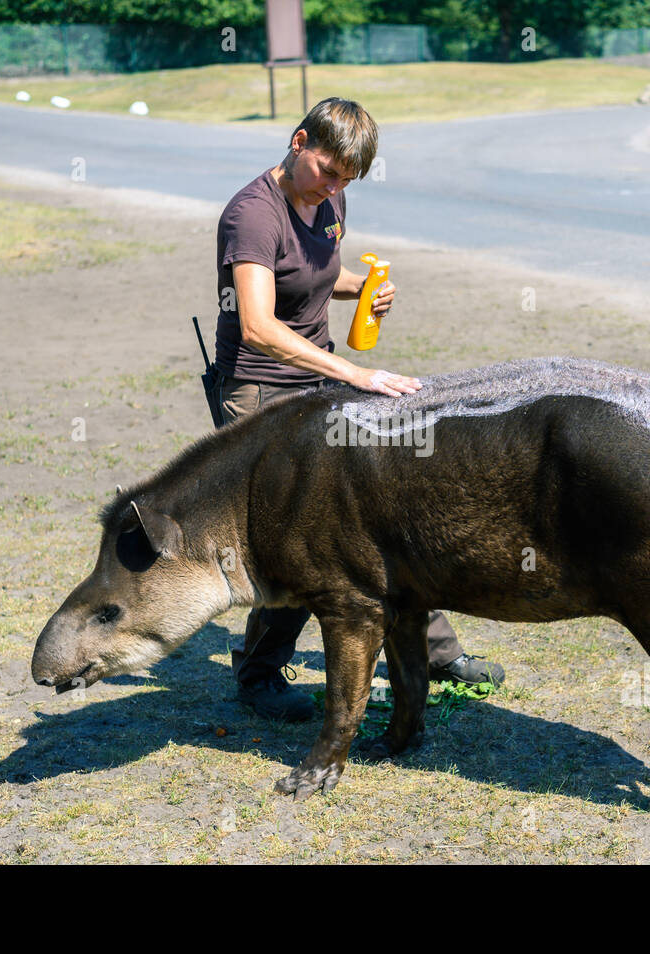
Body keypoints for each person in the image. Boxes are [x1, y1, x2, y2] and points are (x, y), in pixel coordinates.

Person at [212, 97, 505, 722]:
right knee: (295, 541)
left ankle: (433, 653)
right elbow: (260, 324)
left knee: (377, 516)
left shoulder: (328, 198)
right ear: (298, 141)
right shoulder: (252, 216)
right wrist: (354, 373)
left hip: (315, 381)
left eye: (347, 179)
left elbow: (317, 272)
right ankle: (259, 675)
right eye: (327, 170)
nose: (335, 186)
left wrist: (361, 287)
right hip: (261, 392)